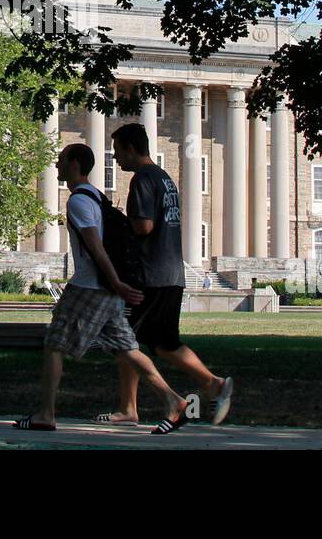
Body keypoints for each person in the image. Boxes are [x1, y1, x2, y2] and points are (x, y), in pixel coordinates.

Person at [15, 142, 191, 434]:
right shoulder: (97, 196)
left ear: (74, 165)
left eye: (61, 160)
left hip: (90, 287)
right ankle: (174, 401)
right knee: (128, 349)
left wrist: (117, 284)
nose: (56, 165)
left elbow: (96, 249)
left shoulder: (78, 202)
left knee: (54, 344)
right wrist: (117, 286)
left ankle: (45, 414)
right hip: (106, 289)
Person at [99, 122, 234, 426]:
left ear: (131, 148)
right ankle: (135, 406)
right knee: (161, 342)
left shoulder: (143, 179)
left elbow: (144, 226)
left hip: (150, 275)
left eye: (118, 151)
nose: (116, 158)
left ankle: (201, 388)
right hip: (171, 272)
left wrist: (118, 219)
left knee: (127, 340)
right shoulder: (164, 178)